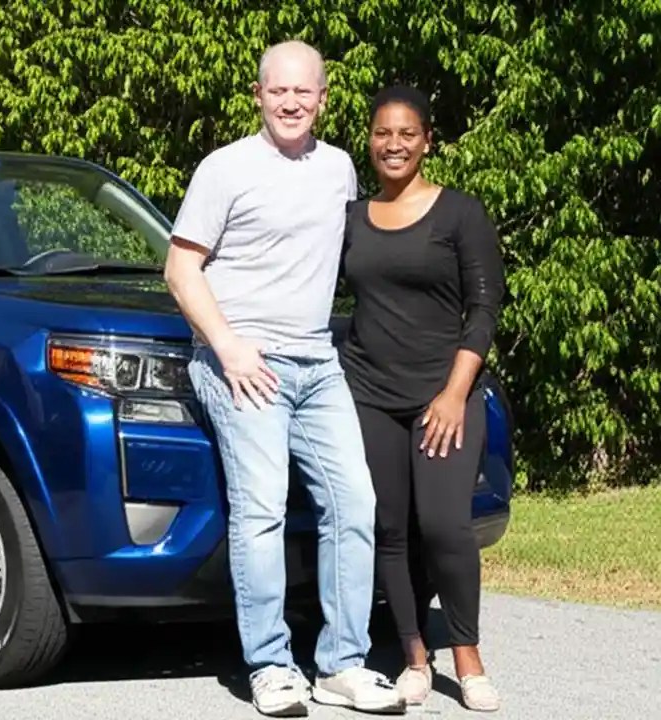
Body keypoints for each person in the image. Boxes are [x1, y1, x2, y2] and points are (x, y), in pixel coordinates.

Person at [165, 40, 405, 717]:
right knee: (263, 507)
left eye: (305, 92)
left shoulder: (339, 169)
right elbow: (181, 271)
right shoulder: (225, 169)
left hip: (317, 363)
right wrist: (230, 349)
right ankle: (271, 664)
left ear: (324, 98)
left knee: (355, 505)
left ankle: (342, 664)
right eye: (279, 92)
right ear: (259, 95)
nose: (292, 103)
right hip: (241, 363)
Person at [337, 84, 505, 712]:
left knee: (444, 525)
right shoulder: (351, 217)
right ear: (370, 141)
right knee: (388, 526)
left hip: (444, 394)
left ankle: (468, 657)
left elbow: (483, 308)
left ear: (428, 141)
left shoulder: (460, 212)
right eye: (383, 133)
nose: (394, 144)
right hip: (370, 393)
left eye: (407, 133)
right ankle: (412, 654)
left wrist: (456, 392)